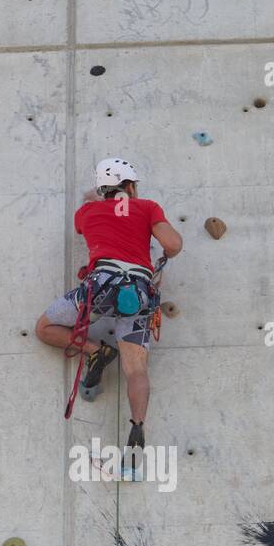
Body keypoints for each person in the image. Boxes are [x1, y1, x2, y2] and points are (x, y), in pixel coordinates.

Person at [35, 158, 183, 448]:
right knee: (136, 368)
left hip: (99, 290)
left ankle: (95, 350)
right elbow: (173, 244)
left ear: (104, 189)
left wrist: (93, 198)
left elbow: (90, 217)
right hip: (139, 293)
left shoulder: (87, 212)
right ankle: (138, 426)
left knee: (45, 328)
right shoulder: (147, 207)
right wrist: (163, 259)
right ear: (130, 186)